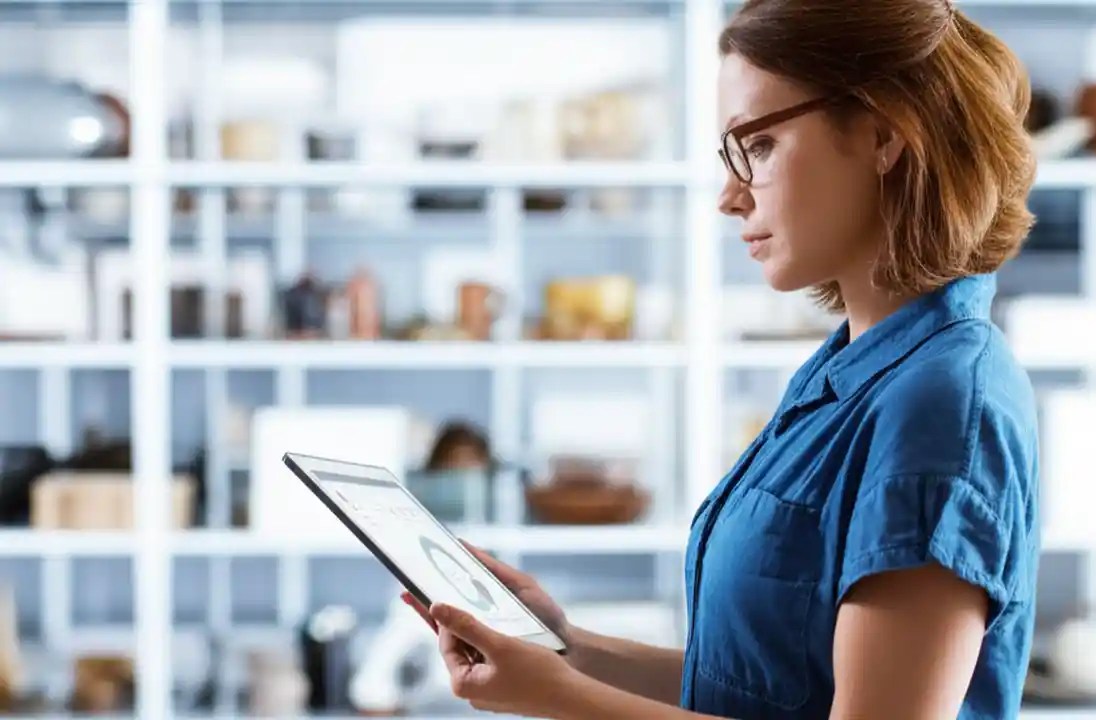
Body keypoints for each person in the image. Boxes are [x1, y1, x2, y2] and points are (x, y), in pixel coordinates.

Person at [403, 0, 1041, 717]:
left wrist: (560, 698)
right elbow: (764, 688)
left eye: (758, 147)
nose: (730, 197)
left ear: (884, 133)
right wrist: (567, 652)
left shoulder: (942, 403)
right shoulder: (850, 370)